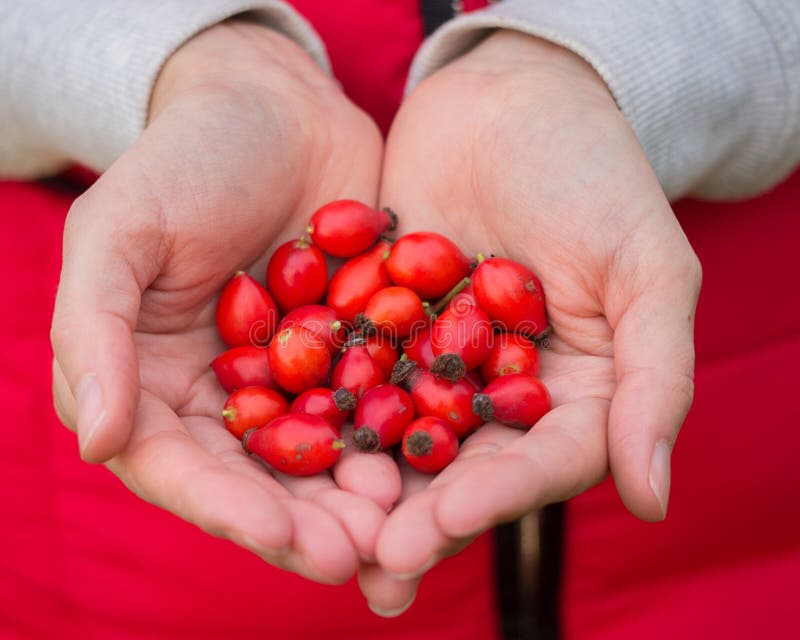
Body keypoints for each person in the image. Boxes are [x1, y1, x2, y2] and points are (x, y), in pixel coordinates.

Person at [1, 1, 798, 637]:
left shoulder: (413, 340)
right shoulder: (363, 343)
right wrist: (180, 63)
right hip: (120, 584)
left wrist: (601, 69)